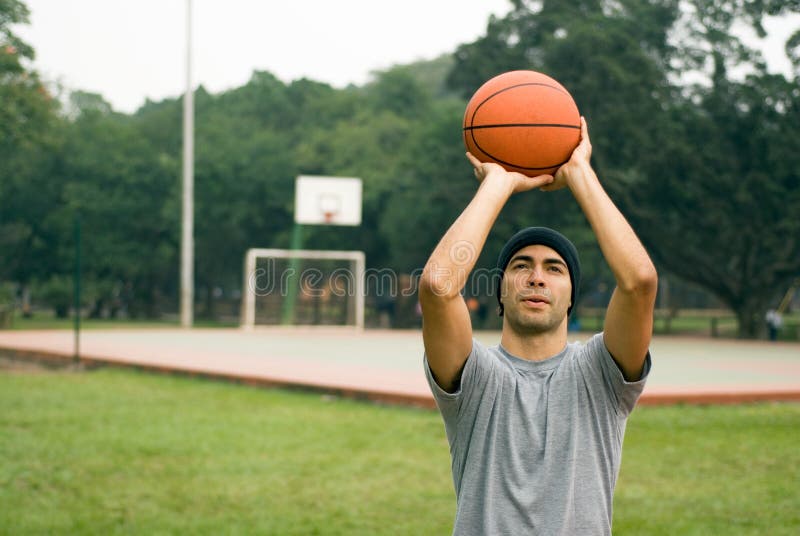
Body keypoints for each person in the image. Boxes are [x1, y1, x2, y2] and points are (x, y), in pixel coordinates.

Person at [419, 117, 658, 535]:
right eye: (520, 266)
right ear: (500, 293)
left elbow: (639, 282)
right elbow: (438, 286)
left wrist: (580, 173)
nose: (536, 277)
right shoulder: (474, 377)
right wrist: (498, 183)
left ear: (571, 297)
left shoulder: (600, 373)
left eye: (554, 269)